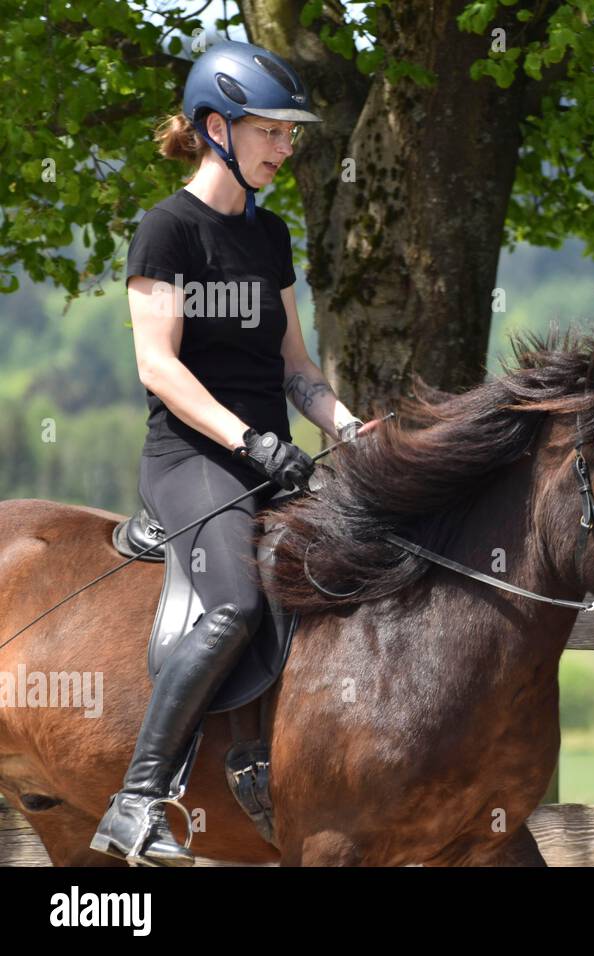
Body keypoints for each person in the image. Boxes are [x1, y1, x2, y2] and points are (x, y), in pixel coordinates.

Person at [91, 39, 372, 865]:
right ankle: (137, 800)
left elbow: (296, 368)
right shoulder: (166, 231)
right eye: (274, 132)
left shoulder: (271, 235)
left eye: (290, 134)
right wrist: (248, 441)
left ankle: (266, 760)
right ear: (218, 128)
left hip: (270, 455)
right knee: (235, 605)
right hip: (190, 460)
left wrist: (351, 430)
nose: (288, 149)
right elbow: (158, 366)